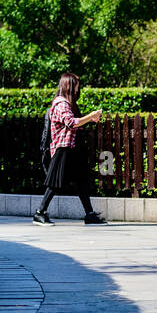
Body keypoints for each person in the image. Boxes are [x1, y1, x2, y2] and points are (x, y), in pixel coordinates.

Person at [33, 71, 107, 225]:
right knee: (54, 183)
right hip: (63, 149)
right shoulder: (61, 104)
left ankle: (90, 214)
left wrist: (89, 119)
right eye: (76, 87)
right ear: (68, 86)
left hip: (71, 148)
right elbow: (71, 123)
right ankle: (39, 213)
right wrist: (91, 115)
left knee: (80, 182)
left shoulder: (67, 103)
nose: (77, 90)